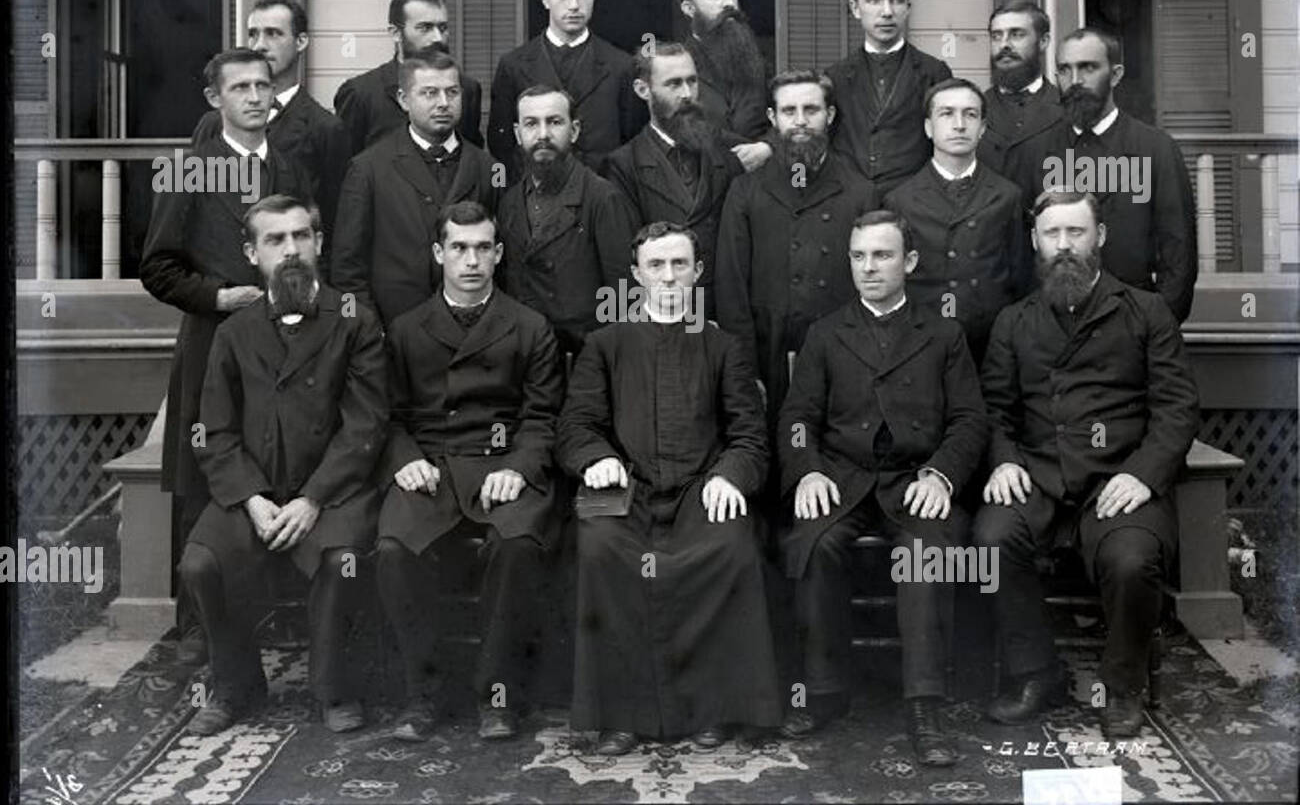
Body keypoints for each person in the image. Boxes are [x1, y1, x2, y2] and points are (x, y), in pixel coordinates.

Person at [974, 190, 1200, 738]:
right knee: (990, 541)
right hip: (1039, 478)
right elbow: (993, 411)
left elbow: (1177, 409)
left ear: (1100, 237)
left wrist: (1142, 474)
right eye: (1052, 234)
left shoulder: (1146, 312)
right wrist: (1003, 462)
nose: (1064, 246)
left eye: (1076, 232)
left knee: (1131, 559)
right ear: (1035, 242)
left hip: (1117, 482)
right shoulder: (1013, 322)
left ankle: (1123, 686)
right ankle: (1036, 674)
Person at [557, 222, 782, 755]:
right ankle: (620, 717)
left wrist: (731, 475)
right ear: (636, 275)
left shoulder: (723, 347)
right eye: (656, 266)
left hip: (700, 490)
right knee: (601, 548)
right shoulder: (604, 345)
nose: (668, 277)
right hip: (628, 492)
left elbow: (749, 434)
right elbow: (576, 426)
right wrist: (598, 459)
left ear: (698, 273)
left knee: (728, 548)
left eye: (680, 265)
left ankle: (714, 712)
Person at [778, 210, 988, 765]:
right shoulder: (825, 334)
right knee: (816, 545)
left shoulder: (944, 334)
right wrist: (807, 471)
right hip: (843, 480)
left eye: (883, 255)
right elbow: (797, 418)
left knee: (925, 555)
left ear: (909, 262)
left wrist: (943, 474)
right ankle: (824, 691)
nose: (869, 268)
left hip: (915, 482)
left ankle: (924, 705)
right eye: (859, 257)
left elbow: (970, 420)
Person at [180, 195, 387, 735]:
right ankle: (236, 683)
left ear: (319, 243)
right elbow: (212, 431)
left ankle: (334, 688)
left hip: (332, 492)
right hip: (254, 492)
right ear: (252, 252)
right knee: (199, 564)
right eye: (275, 240)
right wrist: (250, 499)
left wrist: (312, 498)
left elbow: (365, 426)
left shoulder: (354, 321)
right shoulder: (233, 333)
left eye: (301, 236)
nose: (291, 251)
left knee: (342, 559)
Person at [141, 49, 314, 662]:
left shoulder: (291, 165)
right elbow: (157, 267)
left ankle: (275, 611)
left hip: (287, 345)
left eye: (264, 85)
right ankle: (196, 626)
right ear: (216, 100)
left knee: (278, 465)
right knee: (204, 473)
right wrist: (217, 294)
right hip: (214, 342)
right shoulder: (192, 172)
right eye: (240, 87)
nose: (255, 97)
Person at [375, 201, 563, 742]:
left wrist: (521, 467)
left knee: (519, 546)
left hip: (502, 466)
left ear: (499, 254)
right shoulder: (408, 329)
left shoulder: (530, 327)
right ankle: (423, 693)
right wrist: (404, 459)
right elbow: (385, 416)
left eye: (483, 247)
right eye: (458, 247)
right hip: (430, 467)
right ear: (439, 254)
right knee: (392, 549)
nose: (471, 260)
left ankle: (496, 694)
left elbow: (543, 416)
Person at [1002, 27, 1198, 323]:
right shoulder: (1033, 152)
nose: (1075, 81)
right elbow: (1017, 253)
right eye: (1064, 70)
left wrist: (1157, 326)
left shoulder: (1156, 149)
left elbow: (1179, 253)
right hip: (1053, 324)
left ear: (1116, 74)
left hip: (1133, 323)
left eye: (1088, 68)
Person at [714, 70, 878, 421]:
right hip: (768, 353)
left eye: (811, 110)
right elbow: (731, 289)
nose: (800, 121)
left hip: (842, 352)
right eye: (789, 111)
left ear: (830, 115)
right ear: (773, 118)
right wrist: (744, 370)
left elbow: (872, 287)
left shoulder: (861, 193)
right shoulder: (745, 191)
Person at [331, 52, 503, 328]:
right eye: (430, 93)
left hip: (475, 334)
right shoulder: (367, 169)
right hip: (393, 336)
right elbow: (346, 269)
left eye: (452, 92)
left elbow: (503, 259)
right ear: (403, 100)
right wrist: (365, 332)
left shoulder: (489, 168)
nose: (444, 103)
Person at [884, 78, 1031, 364]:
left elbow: (1020, 280)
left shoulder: (1007, 196)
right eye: (947, 113)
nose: (960, 124)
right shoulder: (899, 201)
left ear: (983, 128)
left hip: (990, 347)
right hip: (920, 348)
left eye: (970, 114)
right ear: (928, 127)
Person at [191, 0, 350, 247]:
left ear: (301, 42)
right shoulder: (213, 123)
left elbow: (334, 220)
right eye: (253, 34)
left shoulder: (325, 128)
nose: (260, 46)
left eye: (273, 34)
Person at [604, 40, 744, 318]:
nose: (687, 94)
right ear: (643, 90)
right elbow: (624, 262)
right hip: (661, 314)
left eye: (692, 82)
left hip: (719, 314)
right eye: (674, 84)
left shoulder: (725, 156)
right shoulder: (622, 166)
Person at [496, 86, 639, 356]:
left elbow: (624, 296)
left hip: (584, 357)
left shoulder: (603, 198)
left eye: (554, 122)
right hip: (526, 356)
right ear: (517, 134)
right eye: (531, 124)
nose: (543, 135)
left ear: (573, 131)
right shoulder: (509, 202)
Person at [487, 0, 643, 180]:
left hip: (602, 194)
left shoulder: (622, 66)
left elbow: (632, 141)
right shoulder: (513, 65)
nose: (574, 5)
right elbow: (501, 142)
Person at [826, 0, 952, 196]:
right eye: (874, 0)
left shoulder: (934, 72)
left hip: (915, 204)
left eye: (897, 0)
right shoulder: (835, 76)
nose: (887, 12)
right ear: (855, 8)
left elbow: (946, 144)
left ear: (908, 8)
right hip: (851, 203)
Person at [332, 0, 483, 155]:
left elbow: (471, 156)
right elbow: (345, 167)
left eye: (443, 28)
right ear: (395, 33)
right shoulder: (361, 93)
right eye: (425, 28)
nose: (438, 38)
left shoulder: (467, 89)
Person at [676, 0, 773, 170]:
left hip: (758, 187)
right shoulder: (676, 66)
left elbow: (783, 114)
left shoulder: (758, 59)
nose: (729, 2)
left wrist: (768, 146)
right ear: (689, 8)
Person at [979, 0, 1063, 178]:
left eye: (1016, 35)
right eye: (996, 36)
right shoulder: (974, 110)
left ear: (1043, 41)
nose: (1004, 45)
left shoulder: (1068, 109)